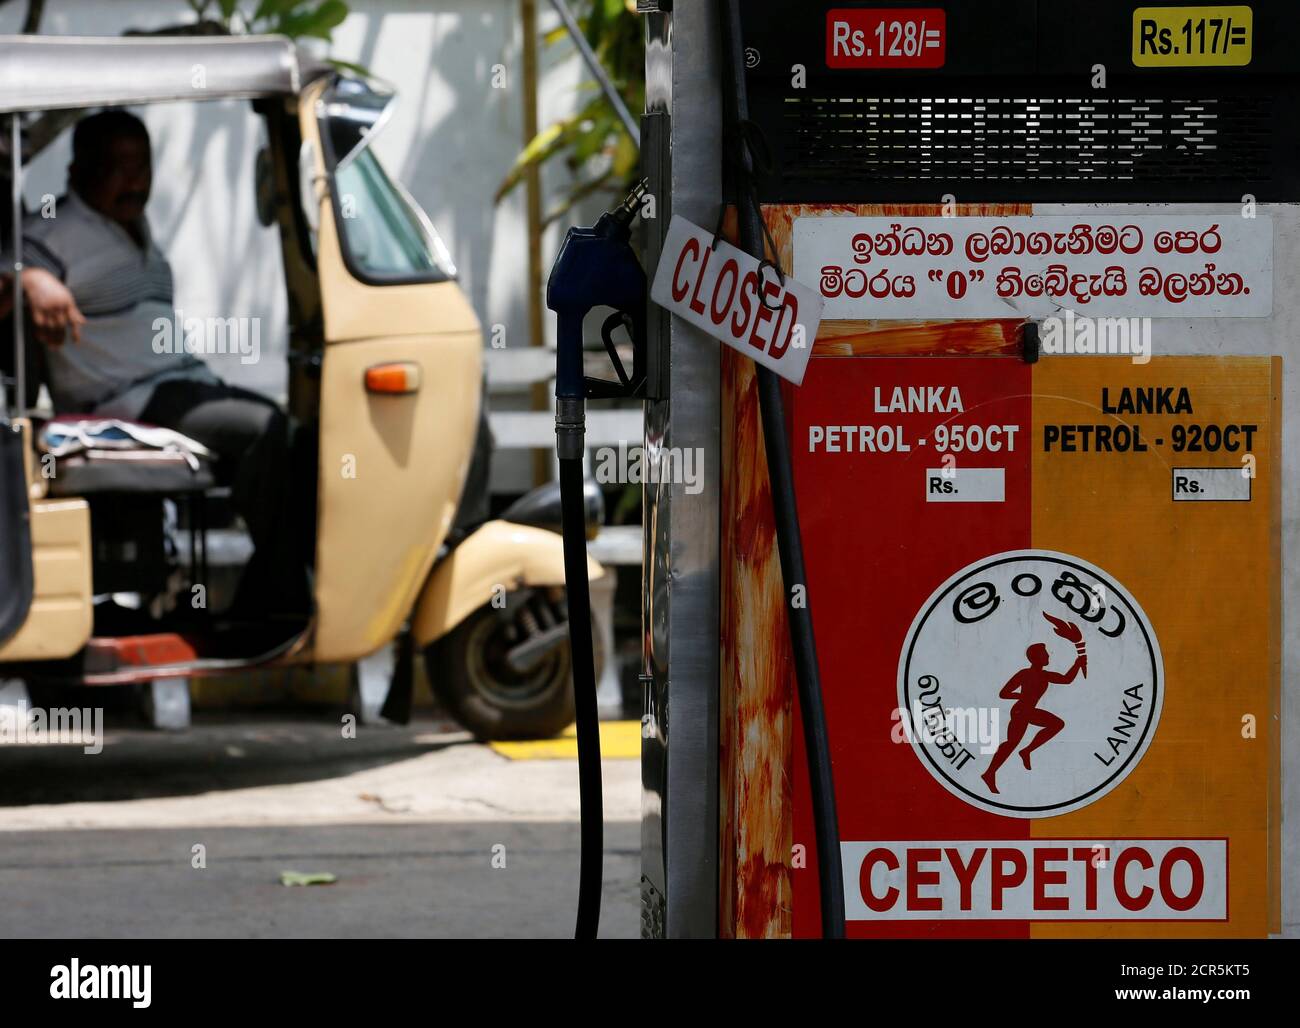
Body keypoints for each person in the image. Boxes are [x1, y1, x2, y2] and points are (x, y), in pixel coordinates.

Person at [11, 109, 305, 616]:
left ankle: (273, 595)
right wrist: (29, 280)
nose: (134, 181)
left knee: (303, 437)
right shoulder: (52, 231)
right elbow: (9, 270)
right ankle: (271, 605)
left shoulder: (131, 223)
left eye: (142, 167)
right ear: (79, 170)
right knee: (265, 430)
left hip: (180, 383)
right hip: (131, 397)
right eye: (117, 166)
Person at [980, 635, 1085, 794]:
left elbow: (1066, 679)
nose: (1049, 655)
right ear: (1037, 657)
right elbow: (1004, 693)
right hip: (1020, 711)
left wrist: (1077, 664)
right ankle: (989, 773)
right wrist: (1020, 696)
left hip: (1029, 711)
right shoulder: (1024, 674)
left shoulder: (1045, 675)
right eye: (1045, 654)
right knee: (1011, 744)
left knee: (1056, 724)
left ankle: (1026, 751)